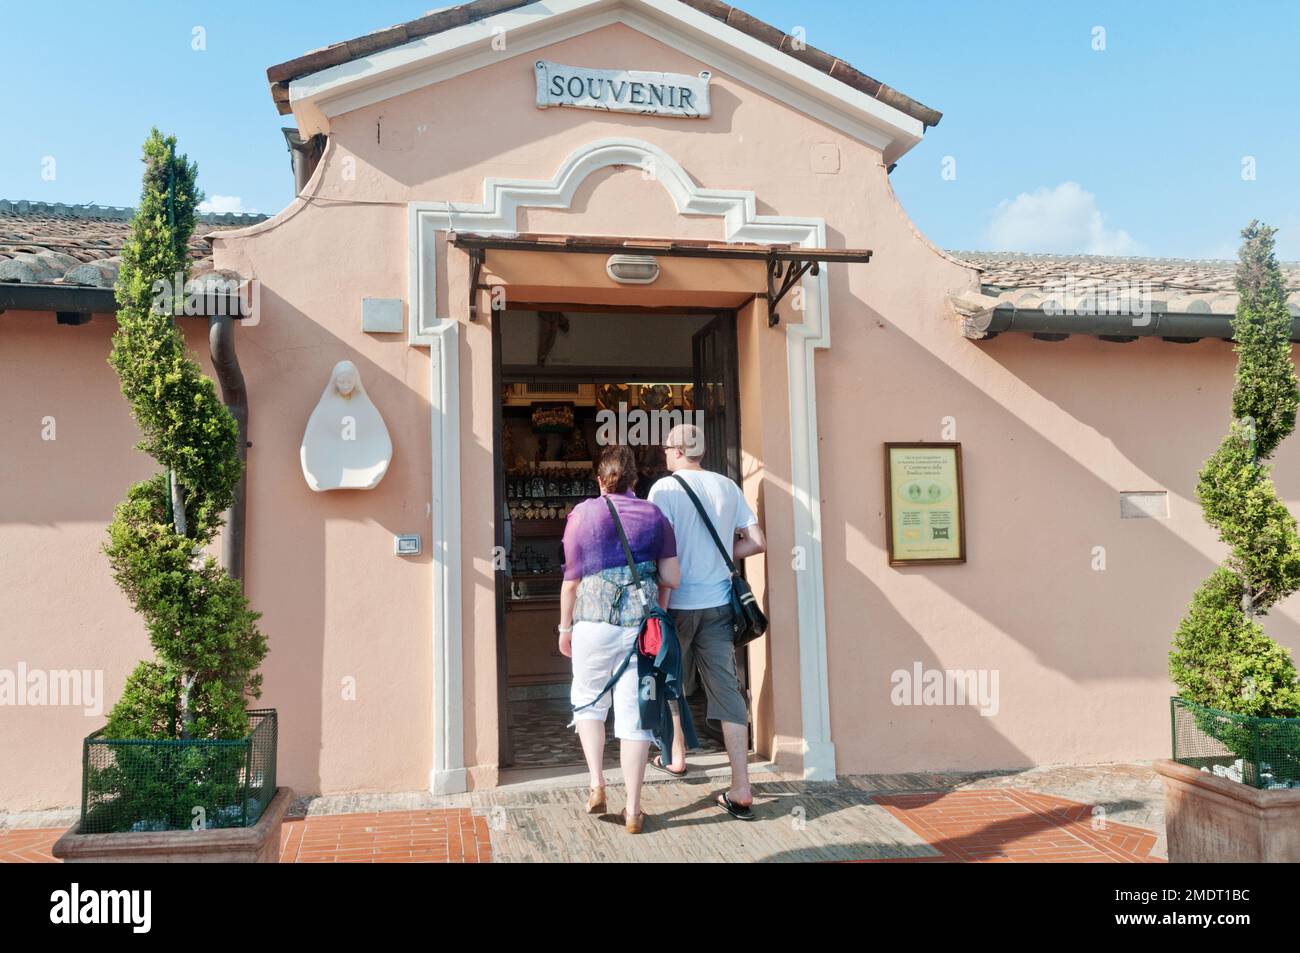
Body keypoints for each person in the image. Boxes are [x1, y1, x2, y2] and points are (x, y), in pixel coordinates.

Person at [558, 445, 680, 834]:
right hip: (638, 630)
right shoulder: (655, 515)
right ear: (635, 480)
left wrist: (565, 629)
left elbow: (571, 582)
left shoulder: (581, 515)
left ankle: (596, 783)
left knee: (589, 701)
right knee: (634, 716)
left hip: (591, 623)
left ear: (600, 479)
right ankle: (633, 809)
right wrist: (657, 609)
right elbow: (671, 578)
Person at [648, 423, 766, 820]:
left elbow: (654, 548)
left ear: (678, 451)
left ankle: (676, 754)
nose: (664, 454)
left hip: (676, 600)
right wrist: (721, 557)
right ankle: (742, 786)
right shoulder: (728, 487)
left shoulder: (663, 490)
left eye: (667, 447)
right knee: (726, 688)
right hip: (718, 603)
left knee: (669, 677)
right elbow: (756, 542)